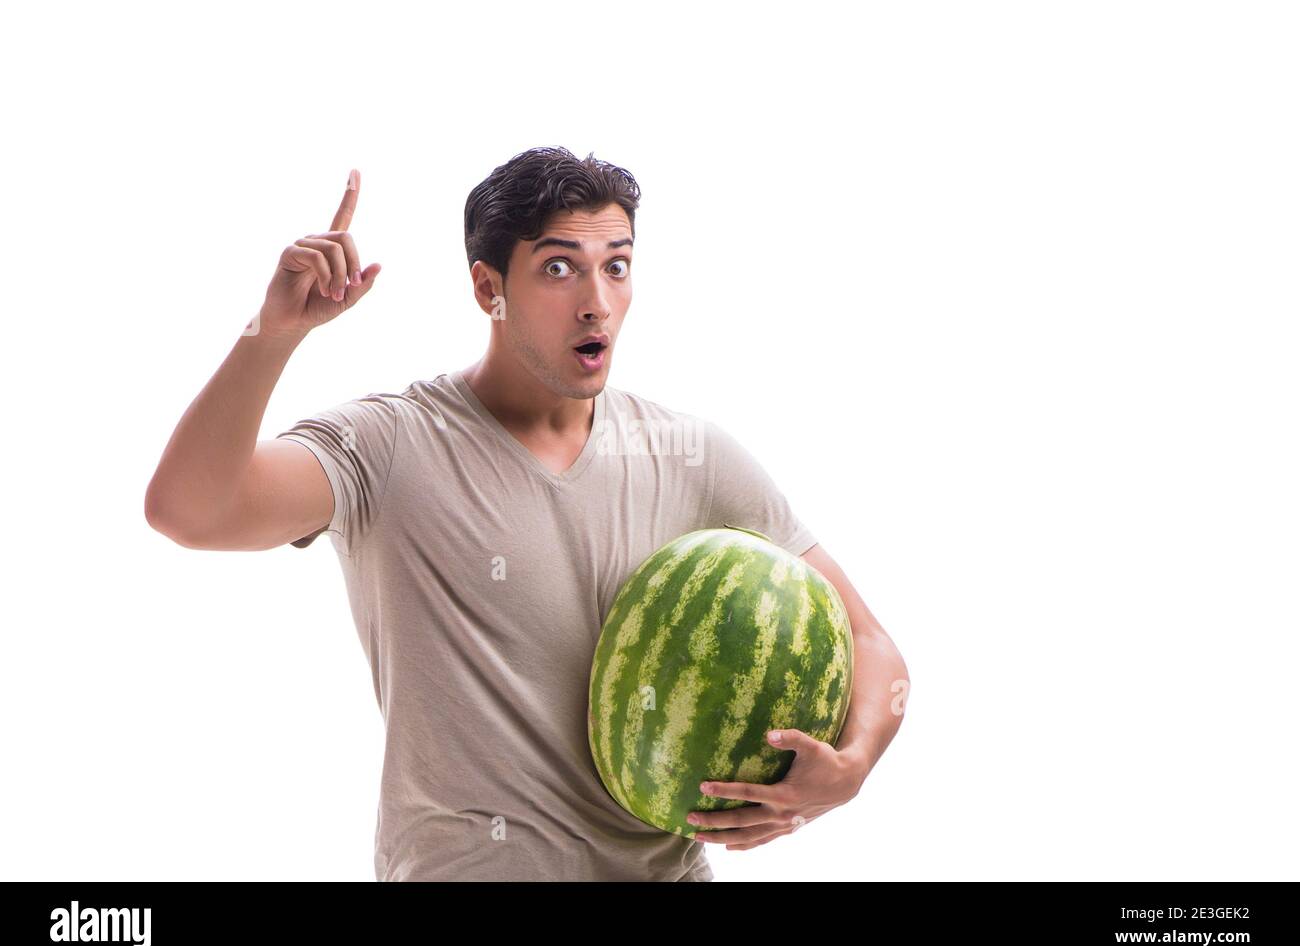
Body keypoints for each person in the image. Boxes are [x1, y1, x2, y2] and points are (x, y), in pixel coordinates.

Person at [144, 147, 908, 881]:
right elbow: (188, 510)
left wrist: (850, 767)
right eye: (558, 268)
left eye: (616, 265)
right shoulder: (390, 446)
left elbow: (871, 641)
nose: (596, 302)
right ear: (488, 288)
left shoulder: (687, 454)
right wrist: (271, 336)